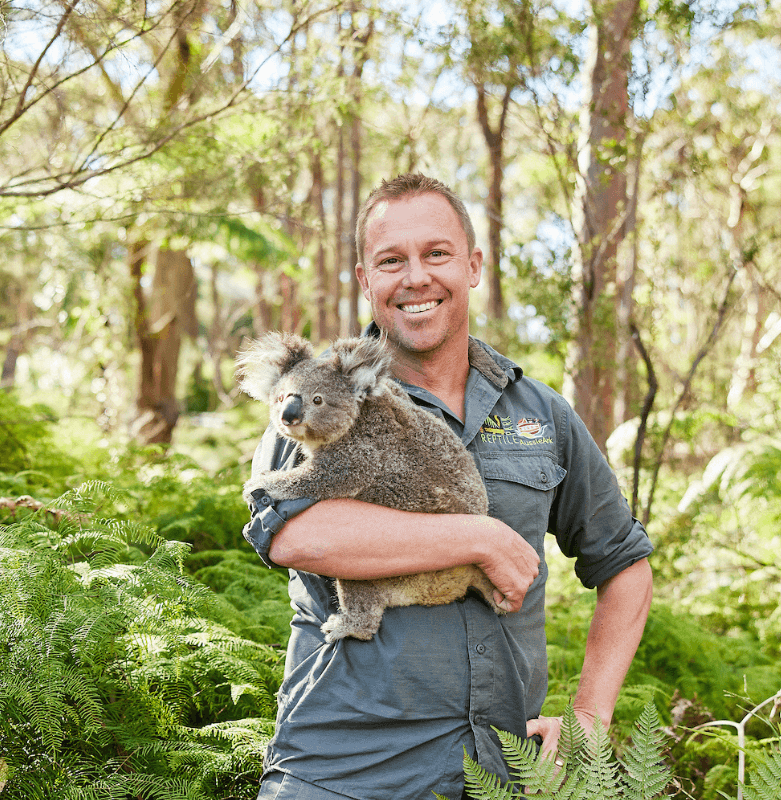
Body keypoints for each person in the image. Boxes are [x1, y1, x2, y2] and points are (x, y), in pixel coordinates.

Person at [242, 173, 654, 800]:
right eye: (391, 261)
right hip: (343, 769)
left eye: (436, 254)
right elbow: (297, 535)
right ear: (365, 280)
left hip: (501, 770)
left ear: (473, 266)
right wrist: (479, 538)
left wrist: (589, 719)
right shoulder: (318, 393)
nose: (416, 278)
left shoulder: (539, 412)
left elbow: (625, 565)